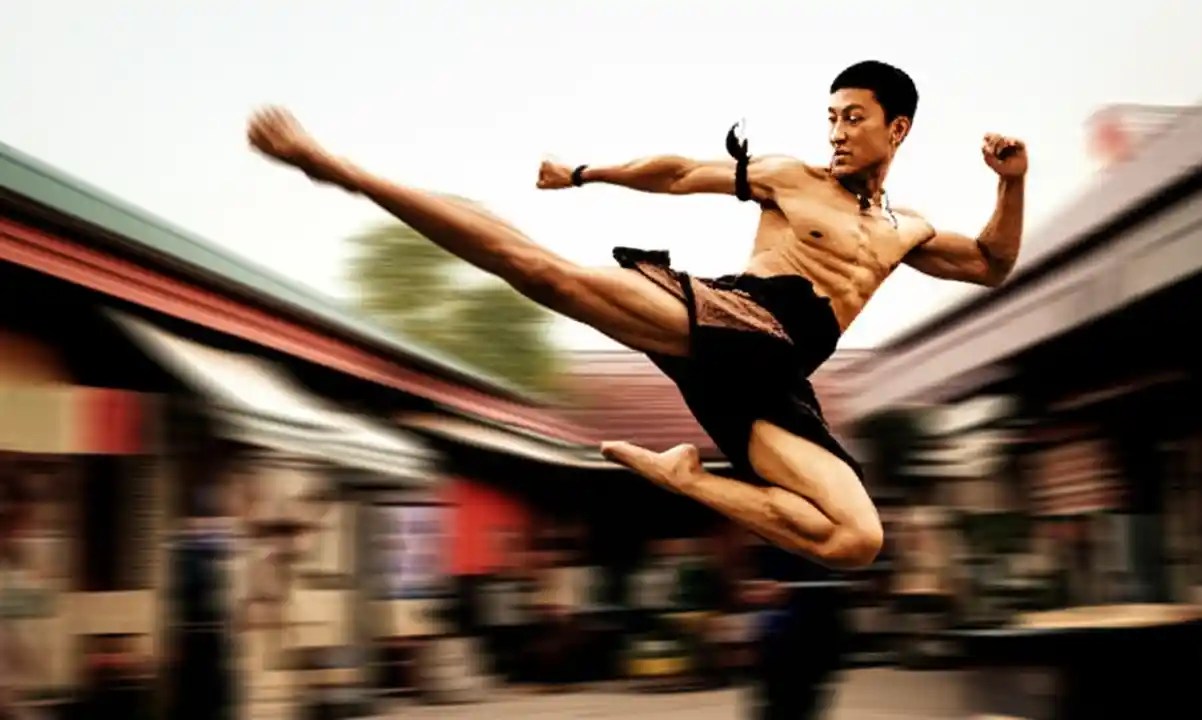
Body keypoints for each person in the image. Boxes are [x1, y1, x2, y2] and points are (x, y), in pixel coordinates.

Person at [246, 60, 1026, 571]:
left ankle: (685, 480)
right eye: (831, 116)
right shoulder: (793, 177)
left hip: (779, 386)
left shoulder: (910, 229)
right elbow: (685, 171)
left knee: (859, 539)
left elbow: (992, 265)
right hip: (734, 318)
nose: (836, 131)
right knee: (540, 270)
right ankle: (340, 169)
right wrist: (586, 173)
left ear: (898, 129)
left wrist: (1010, 184)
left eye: (853, 118)